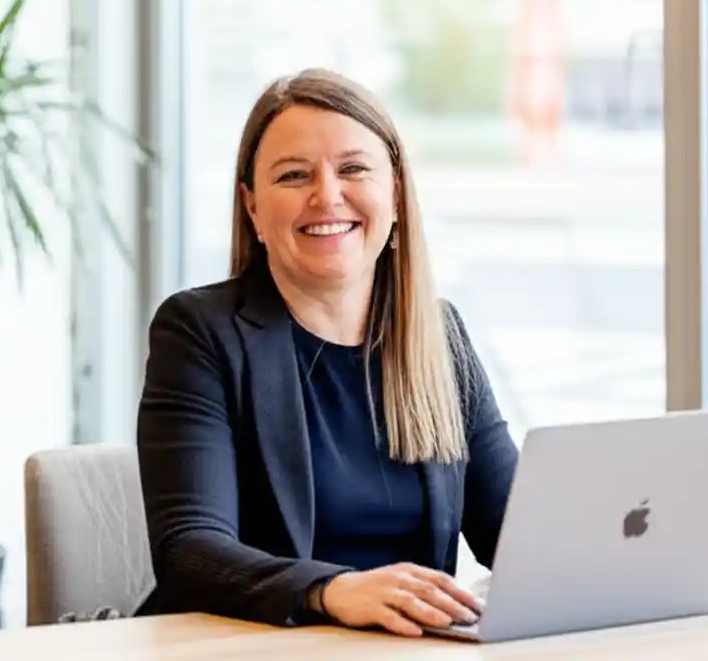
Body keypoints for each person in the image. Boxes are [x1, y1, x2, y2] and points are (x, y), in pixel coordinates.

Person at [134, 68, 518, 638]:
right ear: (253, 209)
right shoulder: (200, 332)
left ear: (396, 195)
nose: (327, 195)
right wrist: (330, 591)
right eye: (293, 175)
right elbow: (190, 550)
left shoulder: (440, 336)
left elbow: (513, 534)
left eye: (354, 169)